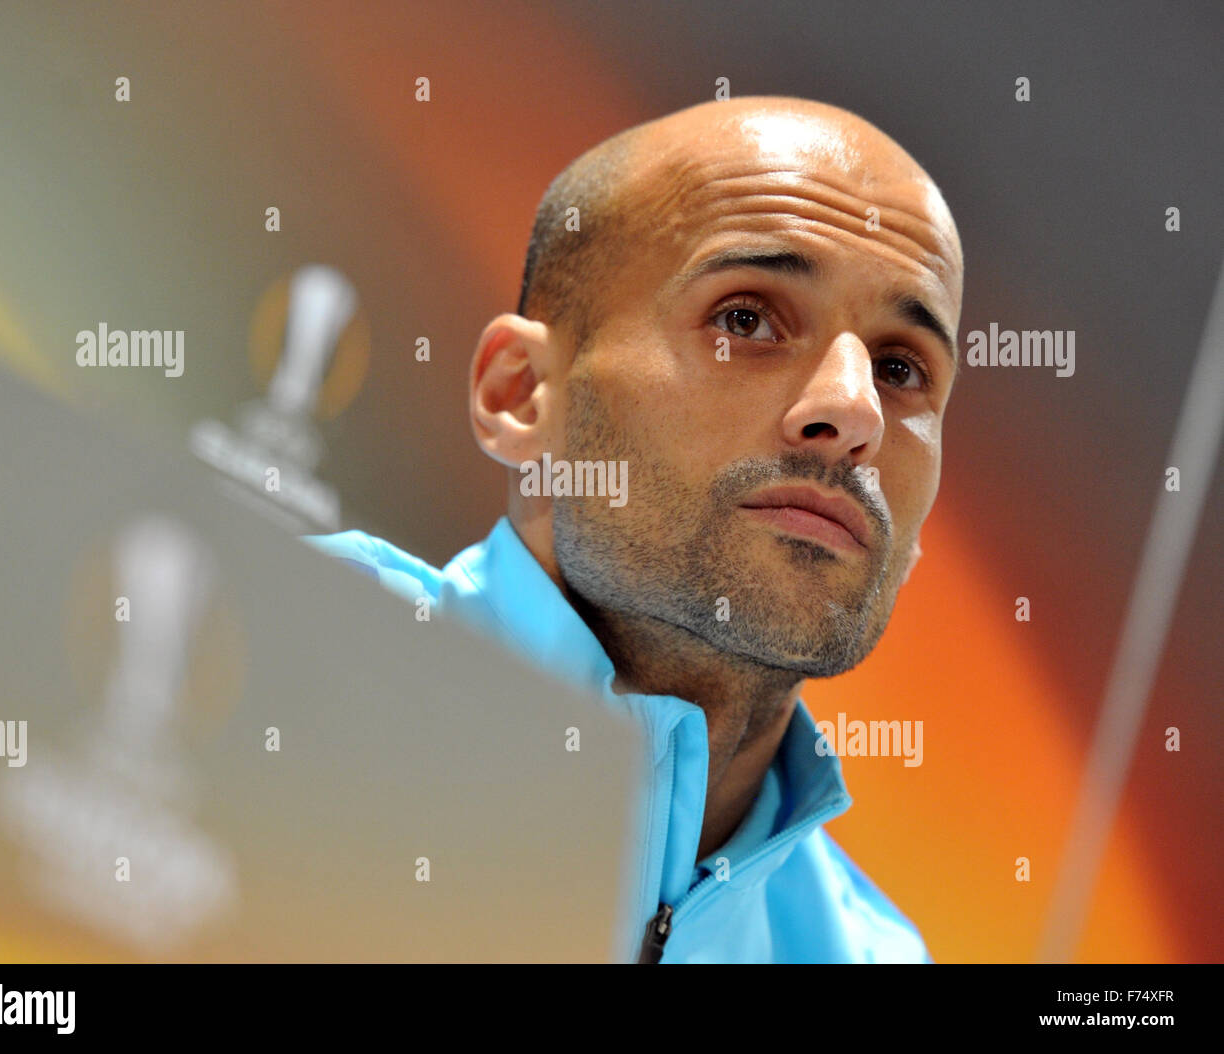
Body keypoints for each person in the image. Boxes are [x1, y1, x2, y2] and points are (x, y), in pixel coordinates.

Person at [308, 95, 963, 963]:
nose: (853, 412)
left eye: (900, 367)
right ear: (523, 394)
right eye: (746, 320)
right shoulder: (264, 652)